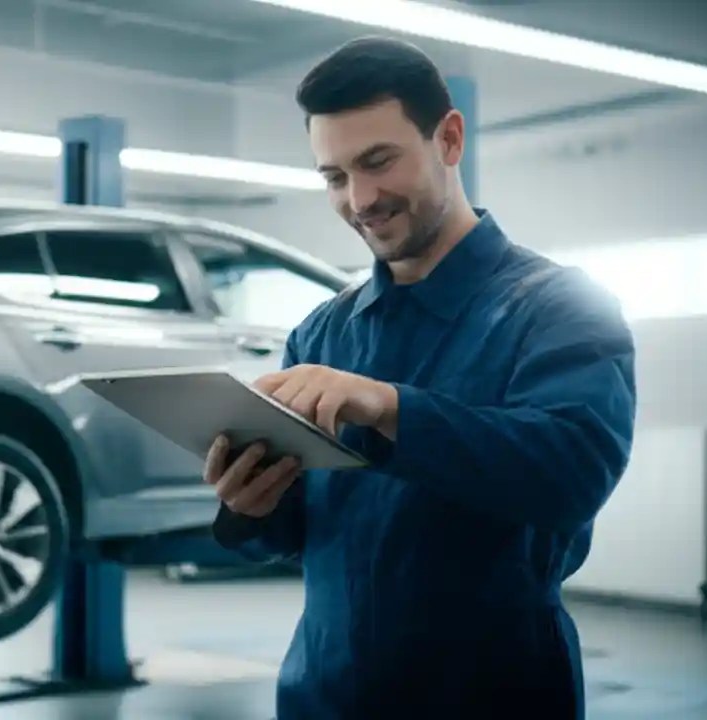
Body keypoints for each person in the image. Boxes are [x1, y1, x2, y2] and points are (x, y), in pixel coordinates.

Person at [204, 37, 637, 720]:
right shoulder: (322, 333)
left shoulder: (559, 306)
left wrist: (387, 406)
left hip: (493, 696)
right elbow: (298, 533)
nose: (360, 199)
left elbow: (573, 472)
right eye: (335, 177)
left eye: (378, 162)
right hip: (326, 691)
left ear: (450, 139)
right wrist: (249, 506)